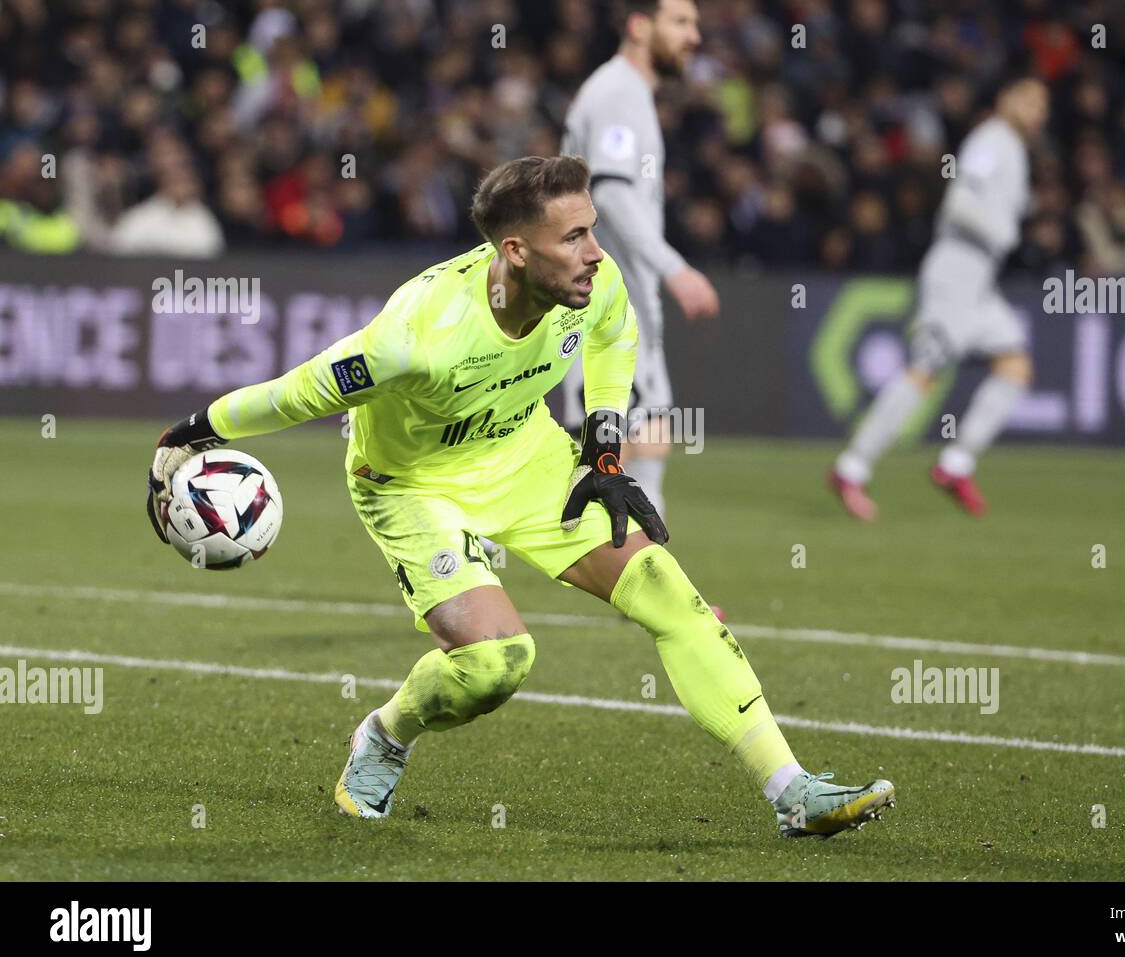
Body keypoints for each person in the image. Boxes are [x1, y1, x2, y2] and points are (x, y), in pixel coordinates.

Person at [145, 154, 895, 838]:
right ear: (515, 251)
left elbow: (613, 338)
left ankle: (792, 791)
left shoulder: (589, 278)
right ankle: (385, 733)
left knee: (669, 591)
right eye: (573, 237)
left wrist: (603, 450)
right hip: (412, 486)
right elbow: (295, 392)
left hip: (526, 456)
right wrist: (189, 433)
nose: (595, 252)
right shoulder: (416, 334)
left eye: (593, 231)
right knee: (498, 663)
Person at [829, 78, 1050, 519]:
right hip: (956, 272)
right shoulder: (992, 140)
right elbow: (958, 203)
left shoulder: (1013, 149)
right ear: (1005, 99)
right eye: (1027, 99)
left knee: (1015, 366)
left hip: (979, 281)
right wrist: (1002, 231)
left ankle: (956, 464)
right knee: (924, 373)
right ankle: (851, 467)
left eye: (1042, 104)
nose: (1036, 111)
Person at [560, 0, 720, 522]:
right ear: (639, 25)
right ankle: (471, 543)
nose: (693, 36)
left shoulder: (628, 94)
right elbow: (611, 191)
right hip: (600, 308)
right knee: (605, 455)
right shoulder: (618, 92)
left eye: (694, 23)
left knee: (647, 438)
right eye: (680, 22)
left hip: (619, 305)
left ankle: (649, 583)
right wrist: (677, 270)